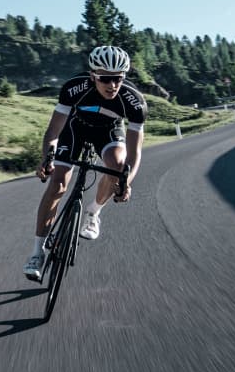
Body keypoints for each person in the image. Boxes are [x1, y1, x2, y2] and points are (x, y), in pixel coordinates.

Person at [23, 45, 147, 281]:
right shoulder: (74, 88)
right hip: (75, 128)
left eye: (118, 79)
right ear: (93, 76)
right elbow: (53, 130)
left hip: (108, 131)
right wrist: (46, 158)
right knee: (58, 184)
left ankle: (93, 212)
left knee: (118, 166)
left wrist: (125, 183)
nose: (112, 85)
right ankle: (37, 252)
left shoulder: (134, 102)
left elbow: (135, 152)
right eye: (105, 79)